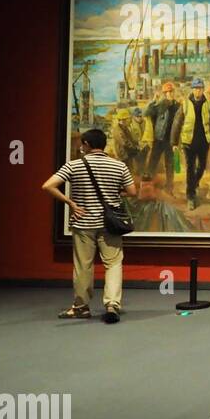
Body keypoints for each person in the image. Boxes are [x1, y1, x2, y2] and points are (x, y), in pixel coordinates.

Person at [42, 128, 137, 323]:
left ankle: (81, 307)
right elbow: (132, 191)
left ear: (86, 144)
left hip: (83, 222)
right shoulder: (119, 166)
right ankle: (112, 304)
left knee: (83, 266)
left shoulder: (74, 165)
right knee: (113, 263)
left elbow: (48, 185)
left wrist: (70, 203)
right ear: (104, 144)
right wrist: (114, 195)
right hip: (110, 223)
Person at [173, 76, 210, 210]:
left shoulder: (207, 104)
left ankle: (193, 183)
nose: (198, 91)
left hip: (203, 141)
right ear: (192, 90)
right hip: (188, 142)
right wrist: (174, 142)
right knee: (190, 169)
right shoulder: (185, 104)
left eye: (200, 89)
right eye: (196, 89)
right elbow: (177, 123)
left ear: (203, 90)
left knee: (202, 166)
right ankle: (190, 196)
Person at [144, 81, 182, 193]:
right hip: (159, 138)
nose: (169, 94)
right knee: (152, 163)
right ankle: (147, 188)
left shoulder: (178, 106)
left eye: (171, 92)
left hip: (171, 140)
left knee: (170, 166)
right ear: (164, 94)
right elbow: (146, 113)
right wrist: (153, 101)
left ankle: (169, 189)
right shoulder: (160, 105)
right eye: (167, 92)